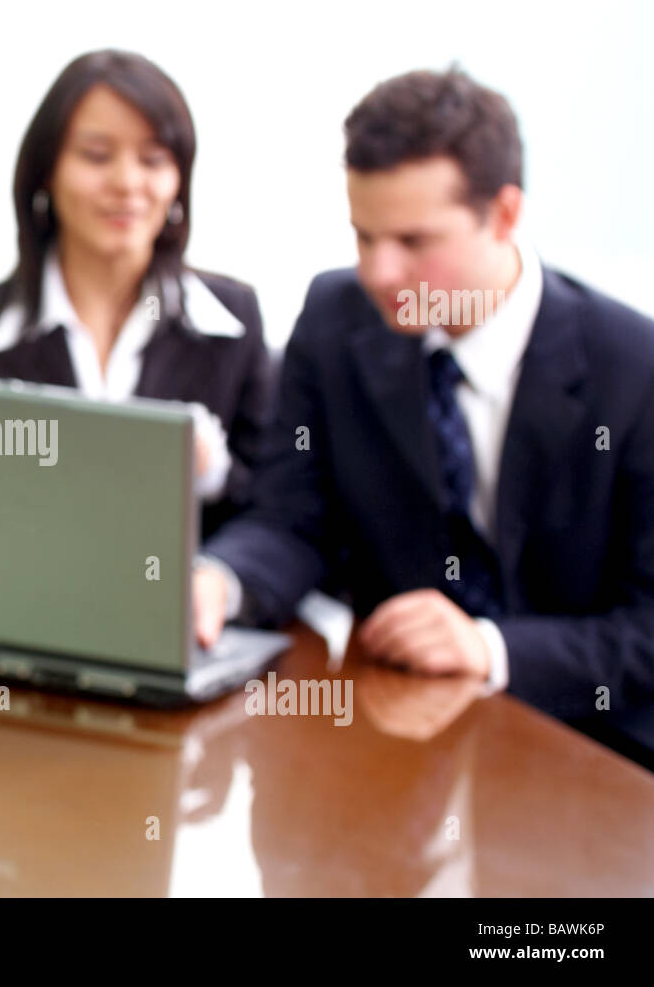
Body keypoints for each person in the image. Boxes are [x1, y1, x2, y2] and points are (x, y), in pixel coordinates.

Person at [196, 68, 654, 770]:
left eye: (414, 242)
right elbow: (291, 519)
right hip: (391, 743)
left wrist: (490, 647)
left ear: (503, 215)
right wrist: (220, 581)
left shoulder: (633, 365)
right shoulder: (334, 319)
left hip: (590, 754)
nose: (380, 272)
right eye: (363, 236)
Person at [0, 49, 273, 546]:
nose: (127, 184)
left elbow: (276, 510)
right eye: (96, 156)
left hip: (181, 616)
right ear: (46, 171)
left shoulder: (233, 322)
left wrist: (208, 471)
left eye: (153, 159)